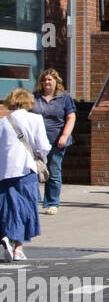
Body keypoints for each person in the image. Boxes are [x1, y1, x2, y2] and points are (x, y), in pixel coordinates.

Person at [0, 88, 49, 261]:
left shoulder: (4, 121)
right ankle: (18, 248)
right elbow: (43, 145)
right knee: (26, 206)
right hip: (26, 169)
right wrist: (42, 158)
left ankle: (7, 236)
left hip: (5, 171)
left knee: (9, 207)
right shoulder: (35, 119)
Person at [33, 69, 75, 215]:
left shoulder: (64, 98)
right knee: (34, 171)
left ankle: (52, 203)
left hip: (56, 140)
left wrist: (64, 135)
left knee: (54, 171)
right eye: (44, 80)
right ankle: (33, 200)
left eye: (50, 79)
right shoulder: (35, 97)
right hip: (37, 141)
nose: (47, 82)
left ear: (56, 81)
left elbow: (71, 117)